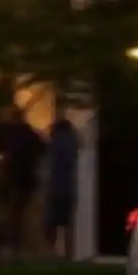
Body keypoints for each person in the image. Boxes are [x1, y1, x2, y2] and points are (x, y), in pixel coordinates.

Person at [0, 105, 45, 257]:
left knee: (13, 213)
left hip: (15, 178)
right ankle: (24, 247)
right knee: (24, 214)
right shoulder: (30, 134)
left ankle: (15, 246)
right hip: (27, 178)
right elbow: (42, 150)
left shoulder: (10, 134)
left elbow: (6, 155)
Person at [44, 109, 80, 258]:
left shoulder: (56, 143)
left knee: (51, 224)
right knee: (67, 223)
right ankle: (68, 254)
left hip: (56, 188)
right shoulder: (72, 142)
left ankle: (51, 253)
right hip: (69, 188)